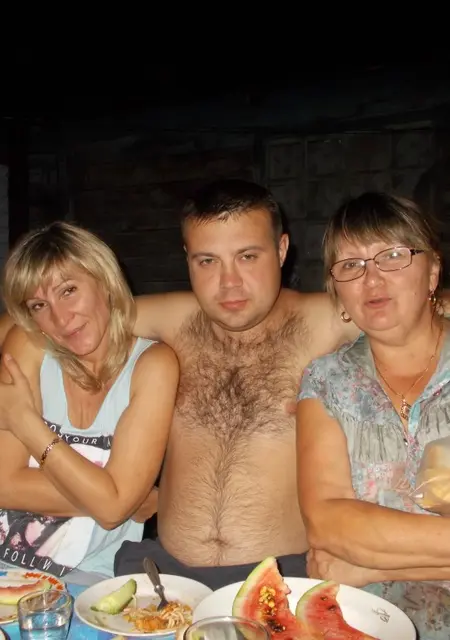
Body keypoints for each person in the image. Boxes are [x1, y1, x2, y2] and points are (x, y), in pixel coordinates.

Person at [111, 179, 364, 588]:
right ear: (187, 258)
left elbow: (418, 308)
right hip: (166, 578)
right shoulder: (175, 319)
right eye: (207, 261)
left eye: (247, 256)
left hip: (284, 578)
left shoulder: (325, 320)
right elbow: (61, 319)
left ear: (281, 250)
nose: (229, 282)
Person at [296, 192, 450, 639]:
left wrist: (368, 565)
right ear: (337, 292)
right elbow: (326, 523)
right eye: (351, 265)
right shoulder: (327, 381)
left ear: (432, 272)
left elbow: (343, 552)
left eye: (393, 256)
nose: (372, 278)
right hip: (366, 626)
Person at [0, 221, 178, 584]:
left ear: (105, 281)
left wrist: (25, 422)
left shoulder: (153, 365)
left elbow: (113, 509)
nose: (60, 318)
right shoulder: (28, 346)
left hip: (89, 581)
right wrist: (118, 495)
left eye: (68, 291)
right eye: (39, 305)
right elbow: (4, 483)